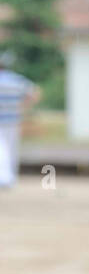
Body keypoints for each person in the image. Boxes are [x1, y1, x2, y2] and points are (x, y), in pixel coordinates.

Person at [0, 56, 39, 188]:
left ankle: (4, 178)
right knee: (12, 149)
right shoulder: (16, 80)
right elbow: (35, 92)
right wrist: (23, 107)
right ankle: (11, 177)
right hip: (14, 119)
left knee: (2, 149)